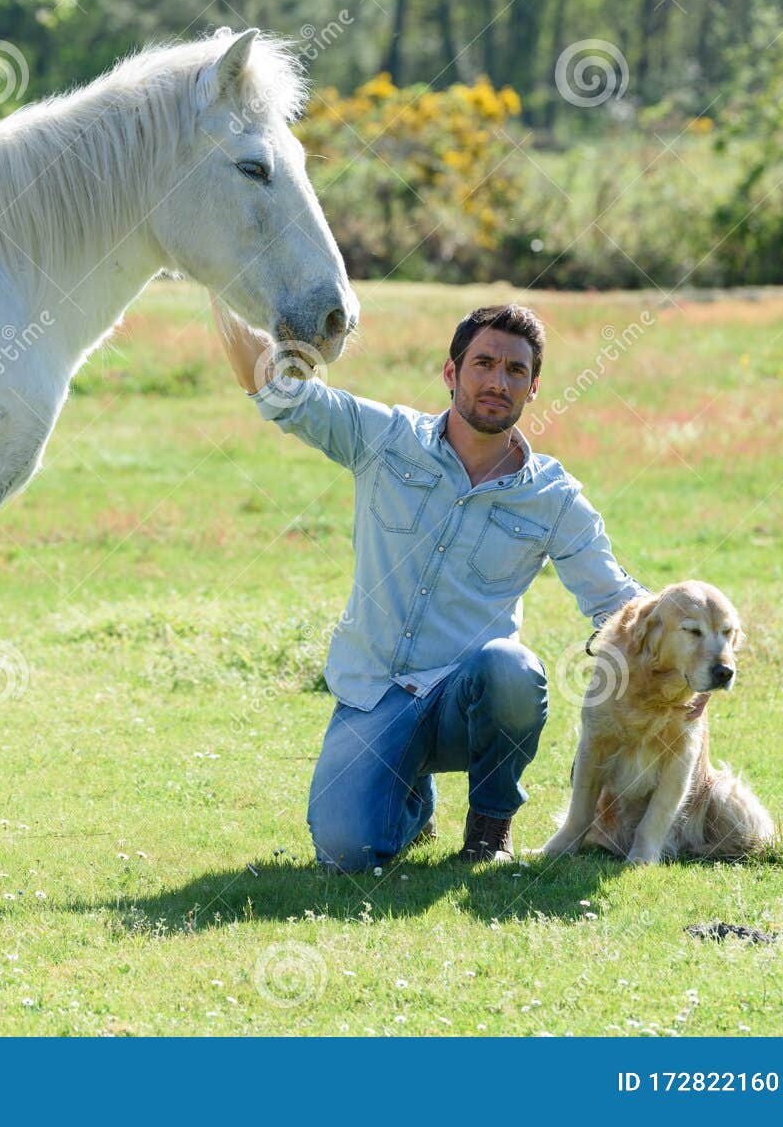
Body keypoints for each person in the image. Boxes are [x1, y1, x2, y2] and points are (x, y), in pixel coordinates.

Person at [214, 301, 647, 869]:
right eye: (484, 363)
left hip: (466, 700)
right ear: (451, 373)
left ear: (534, 387)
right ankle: (409, 798)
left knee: (514, 670)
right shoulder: (386, 438)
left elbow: (615, 603)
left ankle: (490, 830)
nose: (498, 381)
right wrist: (220, 291)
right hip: (374, 694)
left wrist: (685, 659)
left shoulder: (554, 499)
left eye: (516, 371)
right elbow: (281, 392)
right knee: (348, 855)